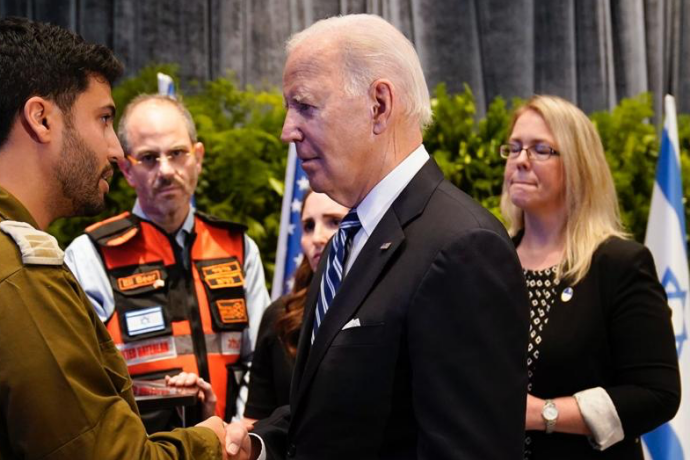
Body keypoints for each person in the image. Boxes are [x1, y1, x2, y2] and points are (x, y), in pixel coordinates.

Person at [0, 17, 251, 460]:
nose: (114, 149)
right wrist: (209, 442)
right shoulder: (13, 273)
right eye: (104, 119)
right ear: (41, 119)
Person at [250, 14, 531, 459]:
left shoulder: (462, 247)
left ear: (379, 104)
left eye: (305, 106)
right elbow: (339, 410)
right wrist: (257, 444)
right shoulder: (352, 235)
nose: (287, 130)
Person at [64, 94, 270, 422]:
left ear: (197, 157)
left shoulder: (238, 248)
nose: (166, 170)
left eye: (177, 153)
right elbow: (80, 380)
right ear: (127, 170)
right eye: (148, 158)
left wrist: (237, 438)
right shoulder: (91, 254)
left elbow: (261, 364)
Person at [500, 95, 681, 459]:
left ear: (579, 165)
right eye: (514, 148)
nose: (520, 161)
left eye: (540, 150)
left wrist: (543, 413)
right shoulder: (491, 263)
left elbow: (657, 394)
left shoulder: (619, 264)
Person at [243, 191, 347, 423]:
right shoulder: (280, 316)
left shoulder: (385, 305)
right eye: (308, 226)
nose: (317, 238)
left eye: (334, 222)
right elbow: (254, 423)